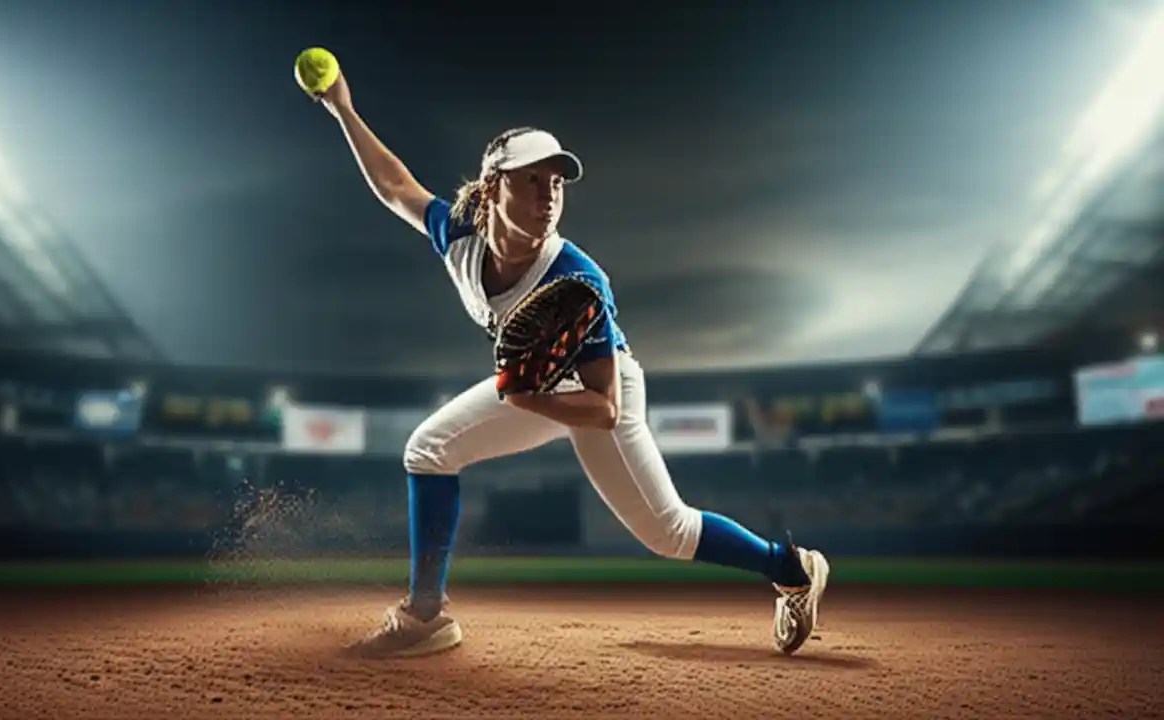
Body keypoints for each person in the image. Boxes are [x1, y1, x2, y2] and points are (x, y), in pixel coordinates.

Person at [310, 68, 829, 659]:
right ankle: (424, 616)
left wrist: (528, 396)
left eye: (557, 183)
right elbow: (396, 185)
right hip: (535, 383)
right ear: (492, 187)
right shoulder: (459, 235)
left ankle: (790, 568)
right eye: (533, 181)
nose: (548, 196)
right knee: (427, 451)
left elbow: (605, 410)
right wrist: (343, 111)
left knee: (669, 532)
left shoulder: (577, 276)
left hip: (597, 389)